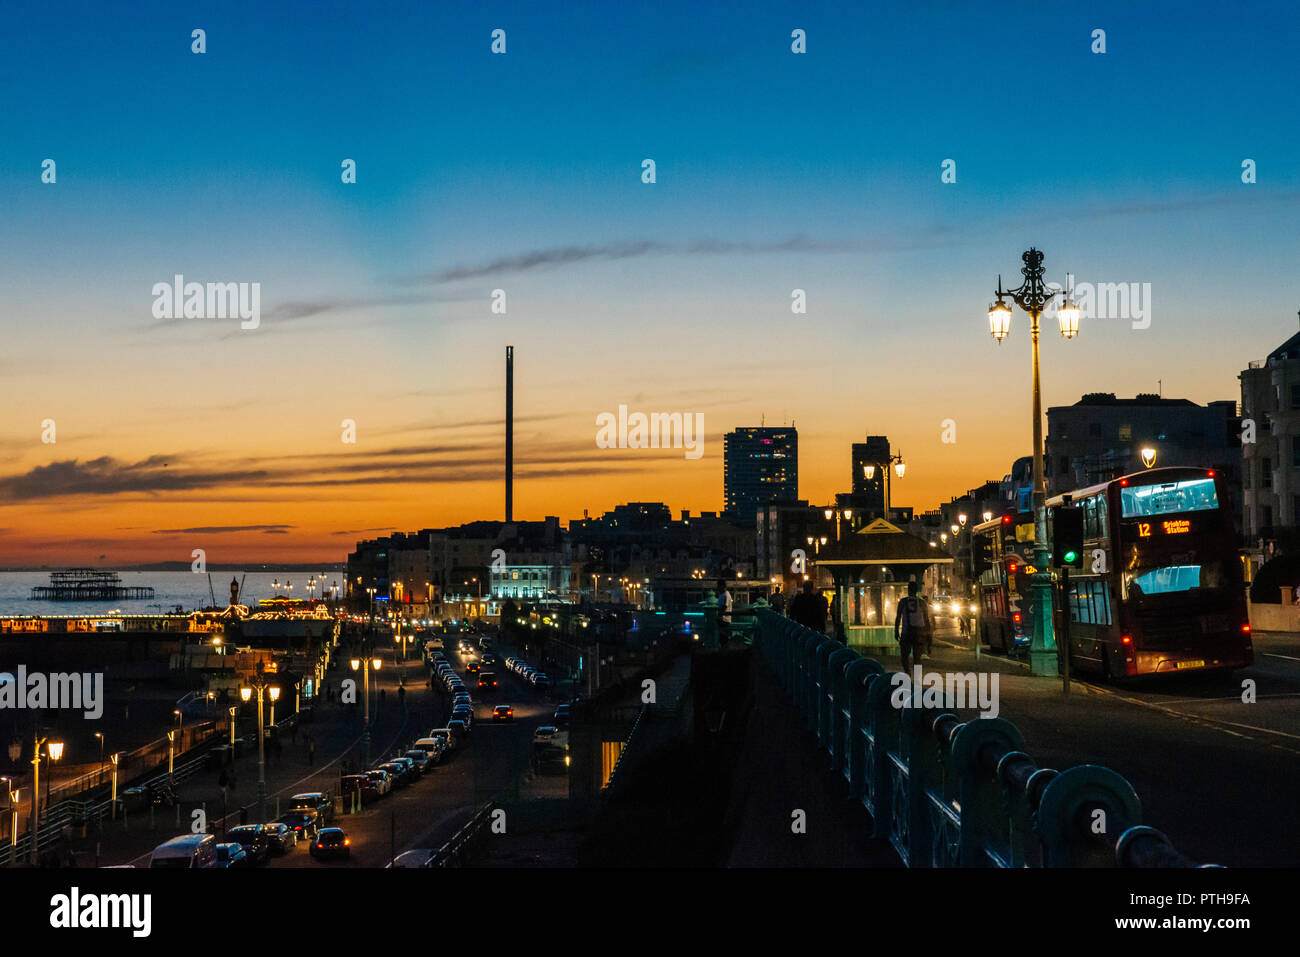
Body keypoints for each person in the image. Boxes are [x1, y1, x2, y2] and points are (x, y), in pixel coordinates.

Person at [895, 581, 933, 671]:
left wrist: (896, 631)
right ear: (916, 591)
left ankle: (907, 673)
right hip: (919, 633)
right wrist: (929, 636)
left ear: (908, 590)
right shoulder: (922, 602)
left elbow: (898, 617)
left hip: (907, 632)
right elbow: (926, 620)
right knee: (917, 658)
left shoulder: (903, 602)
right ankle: (917, 679)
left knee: (904, 656)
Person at [717, 581, 733, 646]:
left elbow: (724, 606)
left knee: (723, 638)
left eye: (719, 586)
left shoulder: (726, 595)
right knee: (722, 637)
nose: (718, 588)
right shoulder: (722, 594)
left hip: (724, 619)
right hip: (723, 619)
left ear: (723, 586)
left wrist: (718, 614)